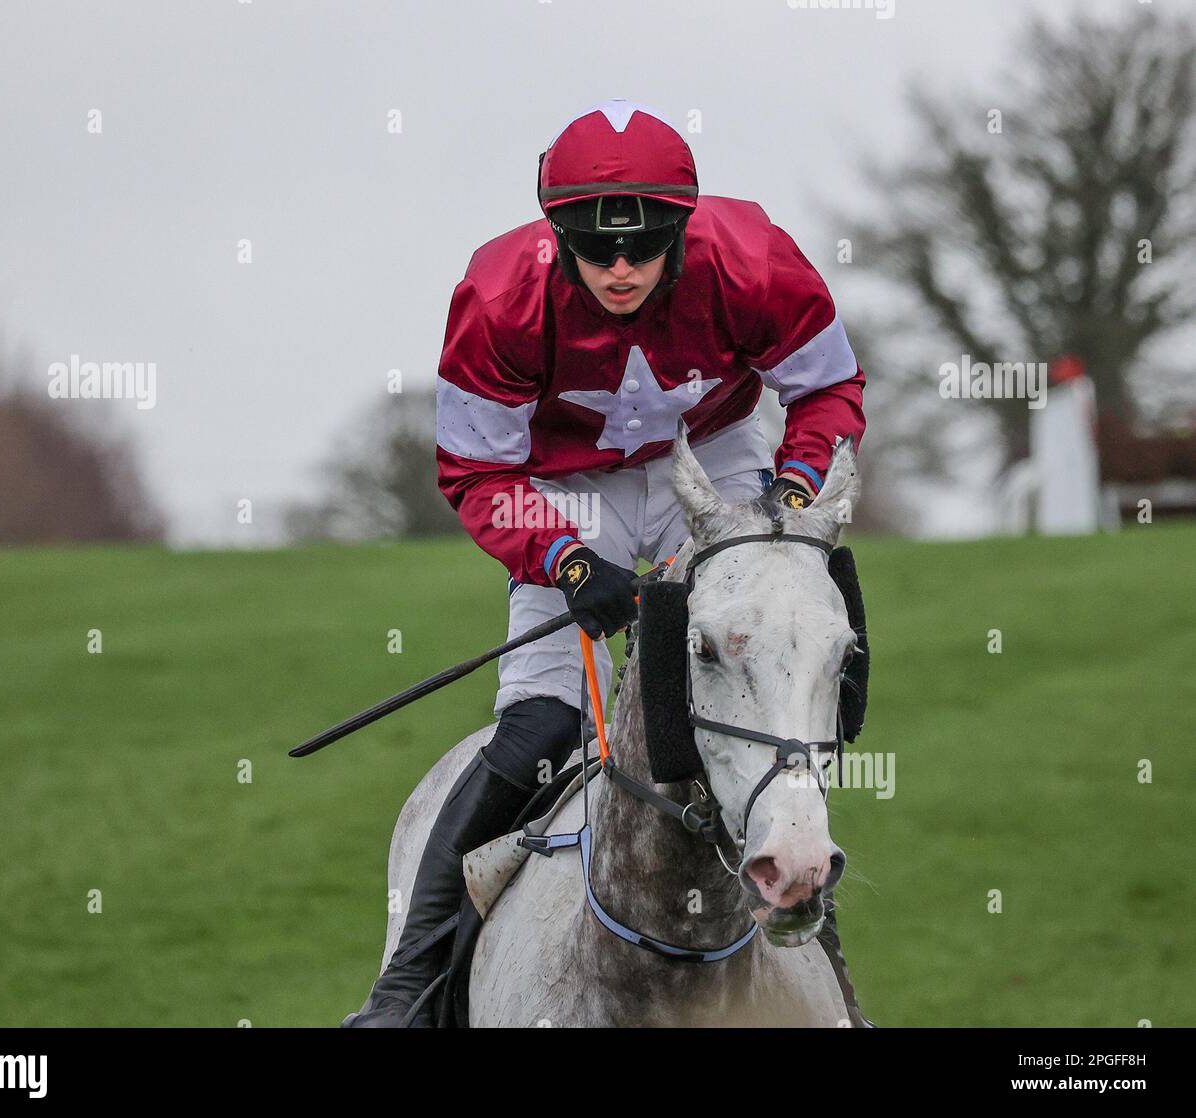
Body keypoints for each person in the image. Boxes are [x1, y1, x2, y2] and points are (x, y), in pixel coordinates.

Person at [348, 99, 866, 1026]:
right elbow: (474, 469)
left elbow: (826, 387)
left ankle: (832, 986)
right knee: (539, 724)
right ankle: (406, 990)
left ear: (683, 227)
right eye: (595, 249)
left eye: (643, 247)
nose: (620, 269)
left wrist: (787, 502)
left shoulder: (754, 261)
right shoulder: (497, 295)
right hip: (559, 486)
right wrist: (566, 560)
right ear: (557, 236)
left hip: (713, 462)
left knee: (761, 686)